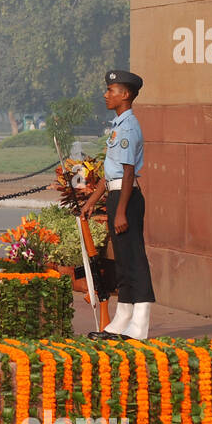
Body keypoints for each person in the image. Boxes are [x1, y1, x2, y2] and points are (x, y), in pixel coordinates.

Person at [82, 69, 154, 341]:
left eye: (111, 90)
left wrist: (121, 210)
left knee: (134, 258)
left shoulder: (129, 127)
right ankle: (123, 317)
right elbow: (108, 172)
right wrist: (92, 201)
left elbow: (127, 172)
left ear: (125, 95)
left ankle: (141, 320)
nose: (106, 94)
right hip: (116, 195)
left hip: (127, 199)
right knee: (122, 261)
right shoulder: (118, 126)